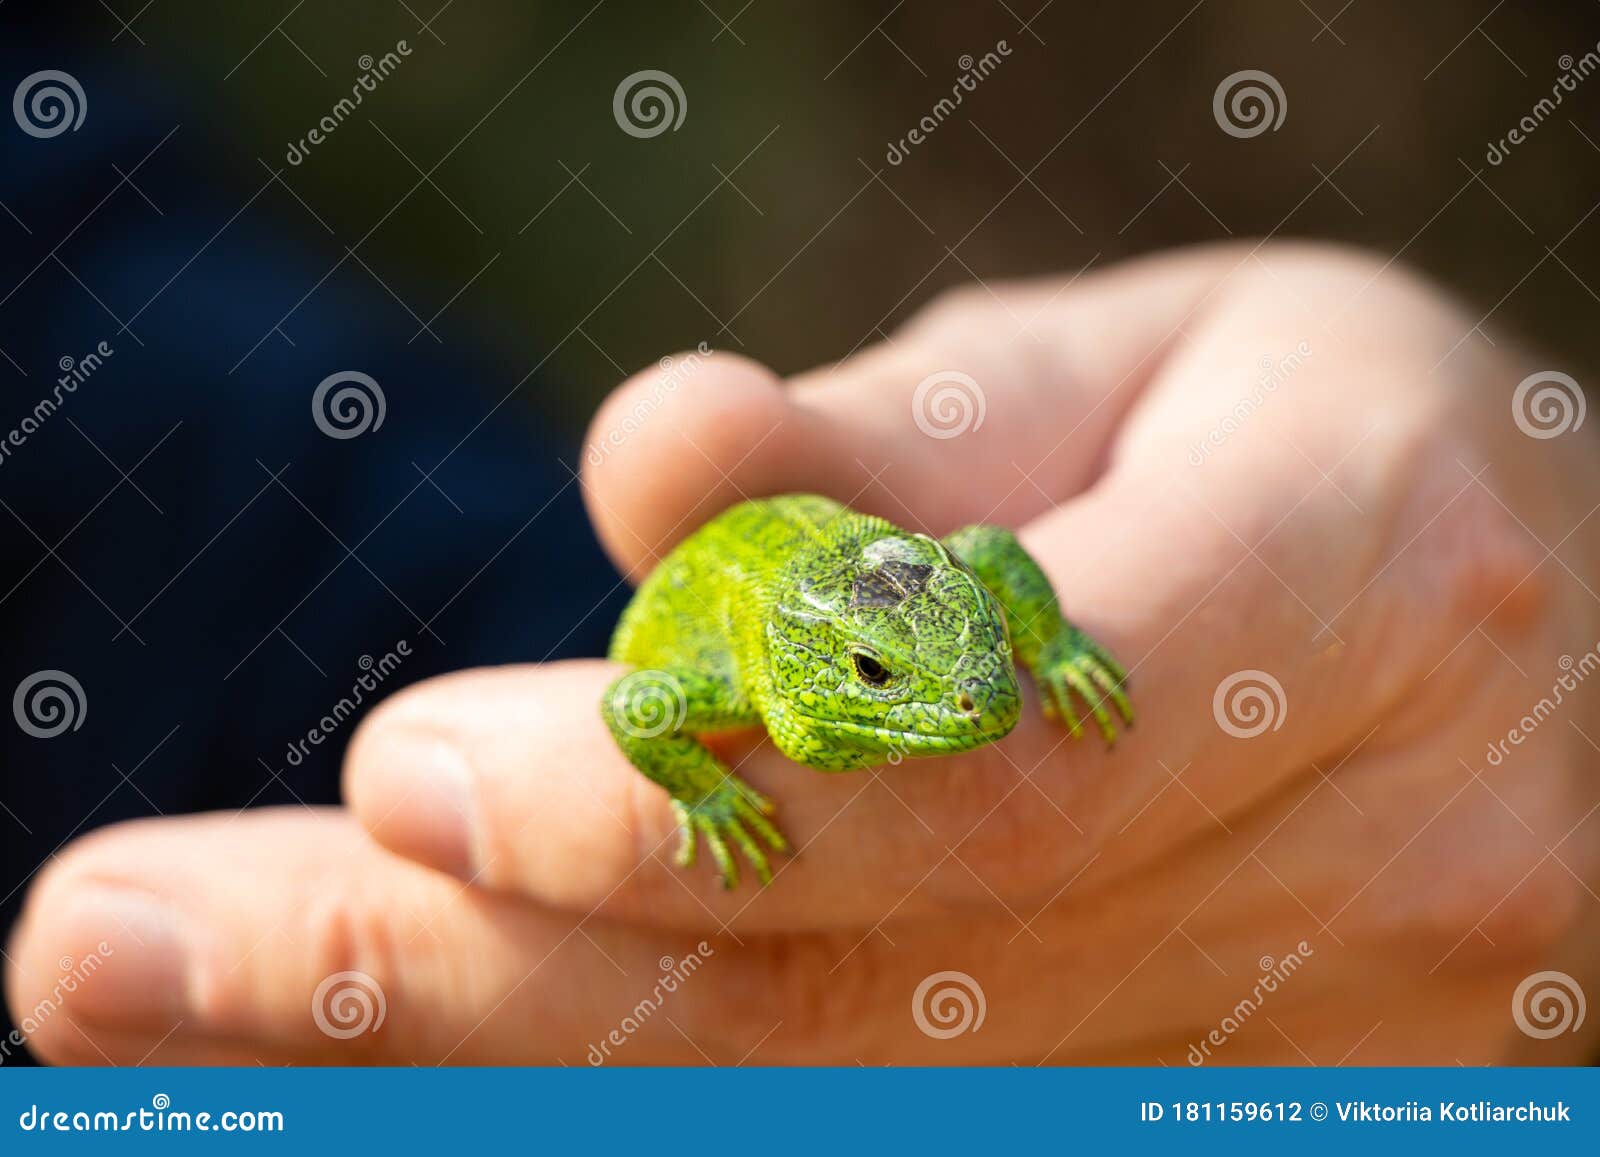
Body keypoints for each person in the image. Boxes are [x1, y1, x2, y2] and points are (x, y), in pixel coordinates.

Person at [9, 241, 1598, 1064]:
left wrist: (1056, 644)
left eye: (970, 666)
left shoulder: (950, 614)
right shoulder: (730, 687)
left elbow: (978, 562)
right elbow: (638, 698)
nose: (974, 708)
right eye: (913, 692)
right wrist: (696, 800)